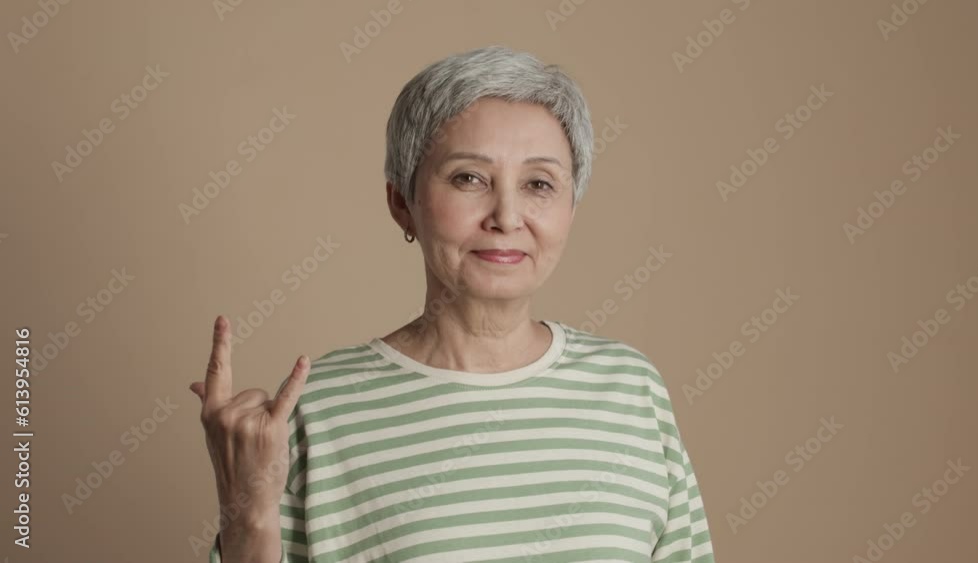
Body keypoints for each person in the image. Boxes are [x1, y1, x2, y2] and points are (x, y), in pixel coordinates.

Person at [191, 45, 716, 563]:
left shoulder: (631, 390)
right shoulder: (318, 410)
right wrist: (248, 516)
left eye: (539, 183)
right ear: (403, 202)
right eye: (470, 178)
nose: (507, 217)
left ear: (570, 207)